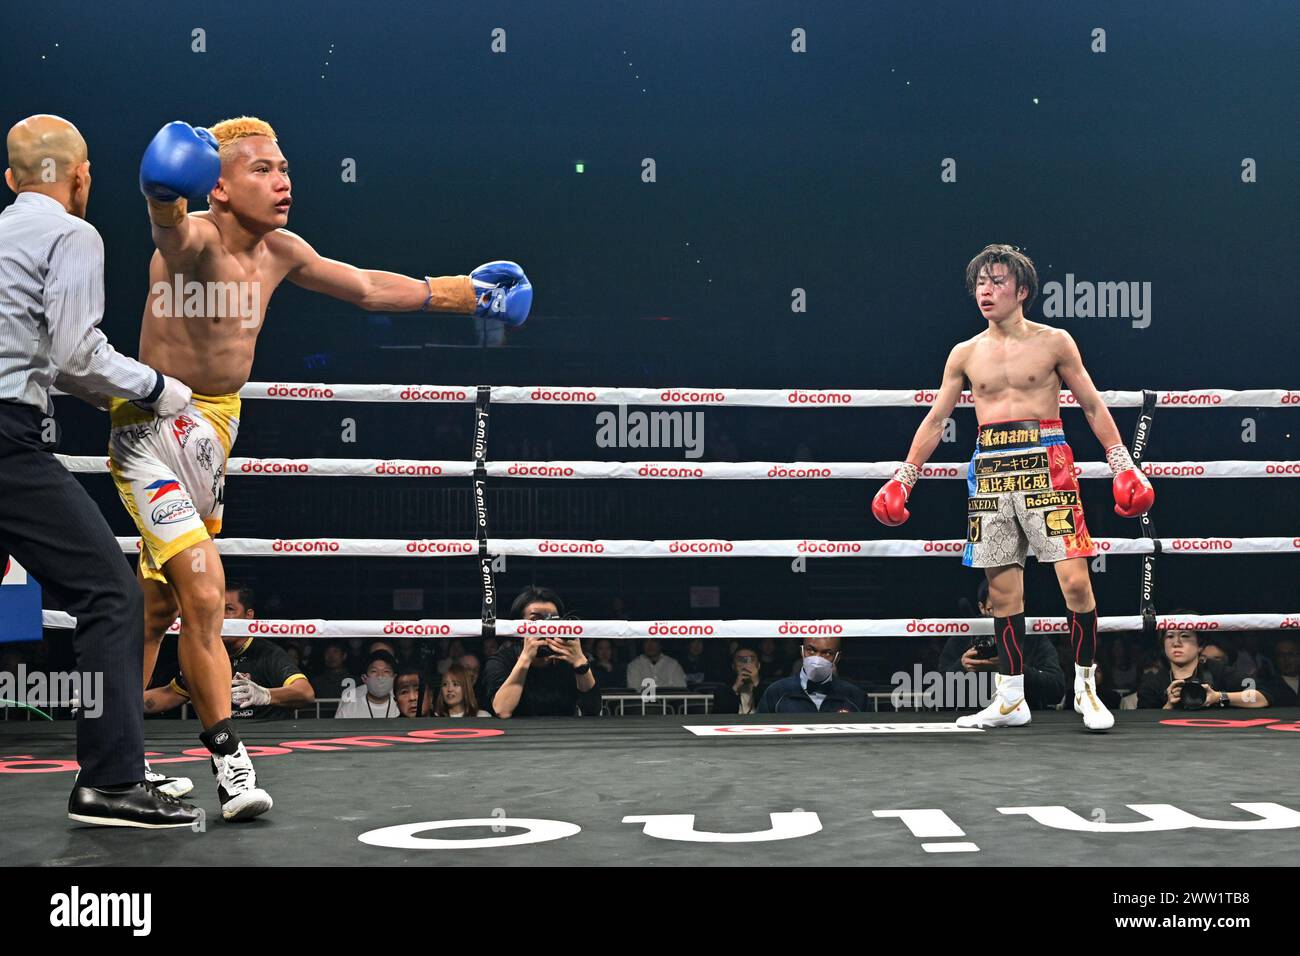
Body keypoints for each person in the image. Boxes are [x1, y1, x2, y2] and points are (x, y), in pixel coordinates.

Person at [117, 117, 532, 816]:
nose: (282, 182)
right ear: (215, 186)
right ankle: (230, 764)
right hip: (151, 432)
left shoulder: (280, 250)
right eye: (262, 170)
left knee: (158, 608)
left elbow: (367, 287)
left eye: (285, 169)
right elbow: (166, 226)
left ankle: (116, 760)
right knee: (204, 591)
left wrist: (466, 293)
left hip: (216, 430)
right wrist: (161, 190)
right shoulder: (189, 241)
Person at [0, 114, 199, 828]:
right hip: (5, 436)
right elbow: (78, 355)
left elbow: (54, 360)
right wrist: (158, 389)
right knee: (111, 595)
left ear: (11, 180)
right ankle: (111, 782)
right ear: (80, 176)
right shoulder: (73, 234)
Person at [873, 244, 1154, 732]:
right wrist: (905, 477)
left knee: (1076, 583)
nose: (986, 290)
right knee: (1004, 594)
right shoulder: (965, 353)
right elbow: (938, 418)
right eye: (980, 283)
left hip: (1047, 463)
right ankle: (1010, 698)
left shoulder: (1055, 342)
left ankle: (1086, 689)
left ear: (1022, 290)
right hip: (990, 469)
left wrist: (1121, 464)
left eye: (998, 281)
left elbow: (1090, 405)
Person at [143, 582, 315, 720]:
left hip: (267, 739)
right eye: (217, 609)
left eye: (229, 609)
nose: (221, 617)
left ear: (249, 616)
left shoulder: (266, 653)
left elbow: (305, 692)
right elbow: (171, 694)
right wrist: (123, 704)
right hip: (223, 741)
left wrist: (265, 695)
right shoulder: (205, 654)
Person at [938, 580, 1064, 710]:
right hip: (972, 719)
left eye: (1011, 608)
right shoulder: (963, 637)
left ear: (1022, 605)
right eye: (996, 609)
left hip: (1026, 721)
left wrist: (1014, 669)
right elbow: (937, 696)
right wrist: (962, 667)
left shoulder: (1034, 637)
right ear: (982, 607)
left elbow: (1057, 690)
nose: (1004, 616)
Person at [486, 586, 601, 718]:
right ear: (519, 625)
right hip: (515, 735)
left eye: (553, 620)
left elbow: (593, 710)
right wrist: (525, 659)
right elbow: (502, 710)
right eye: (536, 621)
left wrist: (580, 663)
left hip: (564, 734)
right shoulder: (503, 659)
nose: (545, 627)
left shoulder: (568, 659)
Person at [1136, 622, 1270, 710]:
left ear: (1200, 645)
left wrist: (1218, 697)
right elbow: (1144, 725)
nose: (1176, 643)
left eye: (1184, 636)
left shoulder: (1218, 671)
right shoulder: (1152, 683)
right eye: (1170, 636)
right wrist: (1169, 705)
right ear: (1163, 644)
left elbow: (1264, 697)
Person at [757, 637, 865, 713]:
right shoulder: (777, 692)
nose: (817, 659)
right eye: (811, 650)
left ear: (837, 657)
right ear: (802, 651)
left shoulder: (855, 695)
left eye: (827, 653)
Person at [335, 650, 399, 718]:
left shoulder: (401, 707)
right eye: (374, 671)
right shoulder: (348, 709)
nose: (380, 676)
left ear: (394, 678)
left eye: (386, 671)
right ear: (364, 678)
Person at [713, 644, 767, 715]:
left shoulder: (769, 688)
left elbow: (769, 710)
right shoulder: (723, 690)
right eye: (740, 660)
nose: (745, 664)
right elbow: (720, 714)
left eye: (750, 659)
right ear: (733, 666)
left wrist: (756, 683)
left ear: (758, 665)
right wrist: (735, 688)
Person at [1262, 638, 1298, 707]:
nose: (1286, 659)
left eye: (1290, 654)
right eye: (1281, 655)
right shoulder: (1269, 685)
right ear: (1276, 659)